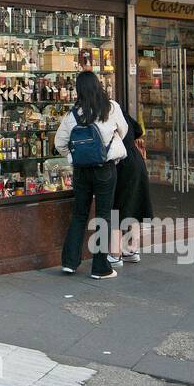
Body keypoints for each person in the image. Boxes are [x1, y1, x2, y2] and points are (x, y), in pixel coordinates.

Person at [55, 71, 127, 279]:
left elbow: (59, 143)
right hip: (105, 169)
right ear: (98, 86)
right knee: (103, 216)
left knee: (79, 214)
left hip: (81, 171)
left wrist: (73, 157)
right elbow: (123, 130)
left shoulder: (73, 115)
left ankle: (70, 262)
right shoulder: (111, 108)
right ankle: (100, 267)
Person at [108, 103, 154, 267]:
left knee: (116, 207)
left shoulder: (105, 117)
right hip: (136, 162)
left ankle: (115, 254)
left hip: (121, 164)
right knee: (134, 204)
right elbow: (139, 131)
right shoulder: (122, 113)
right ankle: (131, 250)